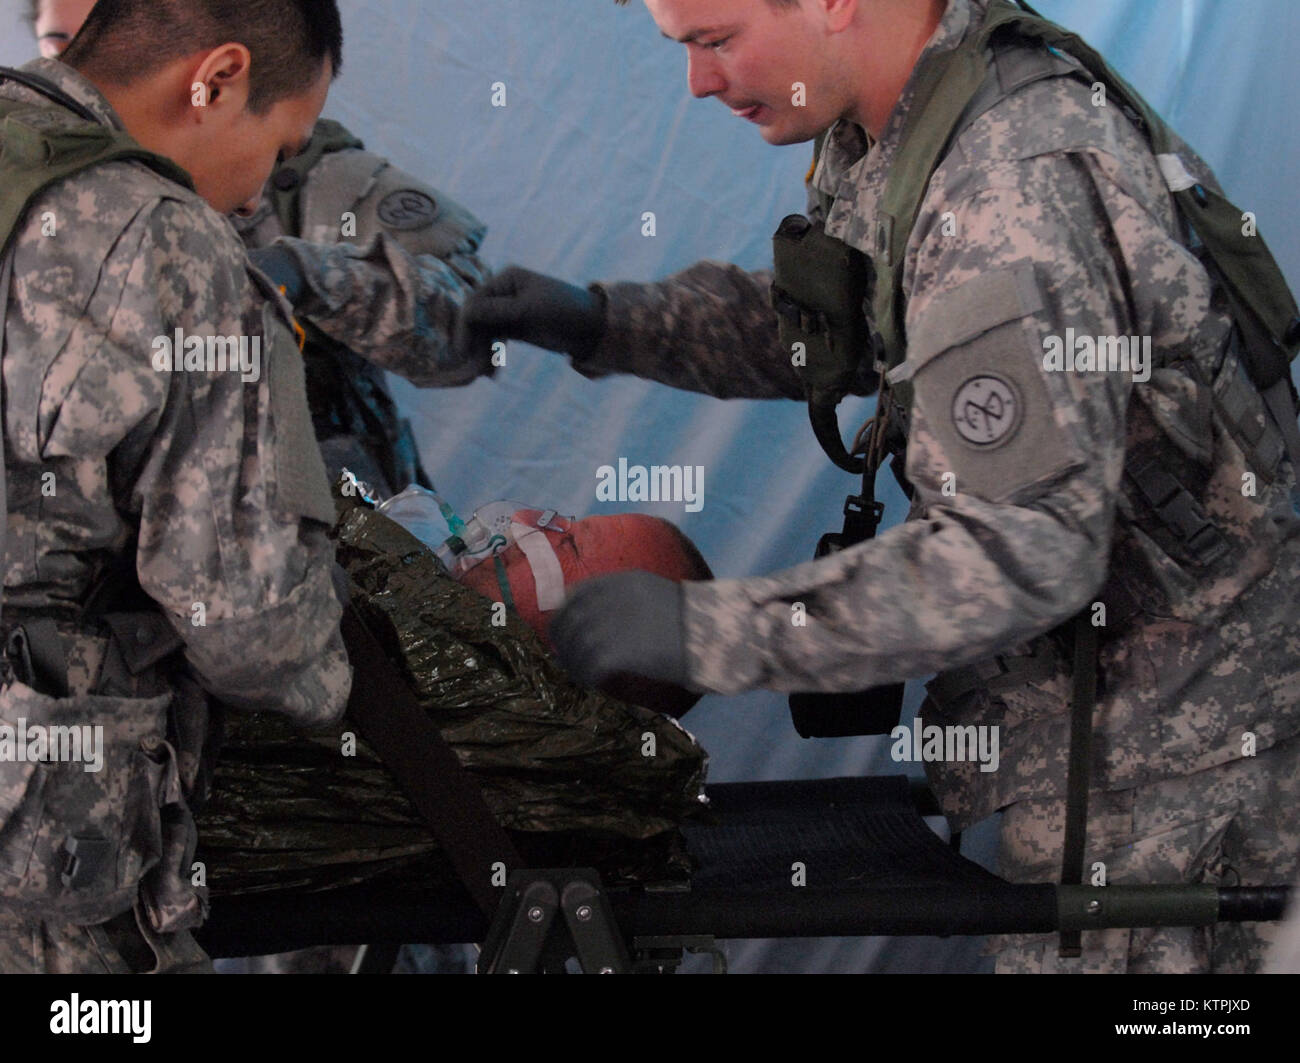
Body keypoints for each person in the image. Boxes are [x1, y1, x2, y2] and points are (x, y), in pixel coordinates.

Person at [456, 0, 1300, 973]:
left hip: (1168, 773)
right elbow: (837, 320)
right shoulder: (909, 129)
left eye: (714, 39)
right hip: (1121, 738)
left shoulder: (1004, 175)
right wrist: (604, 324)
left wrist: (714, 632)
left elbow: (1023, 547)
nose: (696, 81)